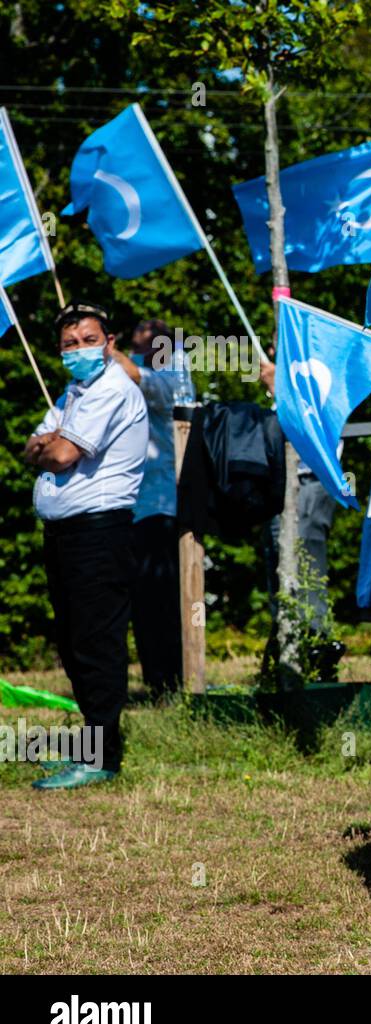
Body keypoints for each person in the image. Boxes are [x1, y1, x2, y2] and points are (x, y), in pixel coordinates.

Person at [23, 303, 148, 789]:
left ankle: (102, 756)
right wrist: (47, 446)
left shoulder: (112, 388)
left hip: (99, 532)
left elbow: (58, 451)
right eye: (69, 344)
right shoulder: (74, 392)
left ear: (109, 342)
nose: (79, 351)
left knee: (96, 643)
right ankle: (93, 746)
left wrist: (50, 445)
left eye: (88, 340)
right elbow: (31, 447)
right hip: (65, 535)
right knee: (75, 645)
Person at [109, 318, 191, 696]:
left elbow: (161, 392)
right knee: (142, 599)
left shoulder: (173, 364)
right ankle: (154, 679)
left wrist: (111, 355)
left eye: (143, 334)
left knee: (165, 598)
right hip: (134, 503)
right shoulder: (130, 373)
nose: (135, 339)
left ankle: (174, 679)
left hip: (163, 502)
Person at [259, 350, 345, 680]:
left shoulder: (318, 385)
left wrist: (281, 393)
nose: (270, 356)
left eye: (277, 349)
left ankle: (318, 656)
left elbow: (309, 433)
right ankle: (287, 652)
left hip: (310, 484)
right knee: (281, 569)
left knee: (306, 568)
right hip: (282, 487)